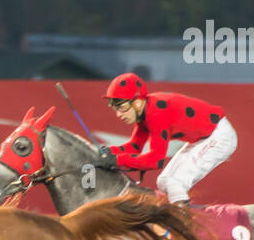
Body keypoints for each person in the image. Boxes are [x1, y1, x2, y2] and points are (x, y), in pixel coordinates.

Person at [94, 72, 237, 204]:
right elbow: (135, 146)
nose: (119, 114)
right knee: (163, 182)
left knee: (175, 182)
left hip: (220, 136)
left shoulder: (156, 114)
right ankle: (181, 216)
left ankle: (186, 225)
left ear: (137, 102)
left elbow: (155, 161)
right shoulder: (144, 111)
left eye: (122, 107)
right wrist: (109, 151)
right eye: (115, 108)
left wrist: (118, 160)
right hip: (205, 137)